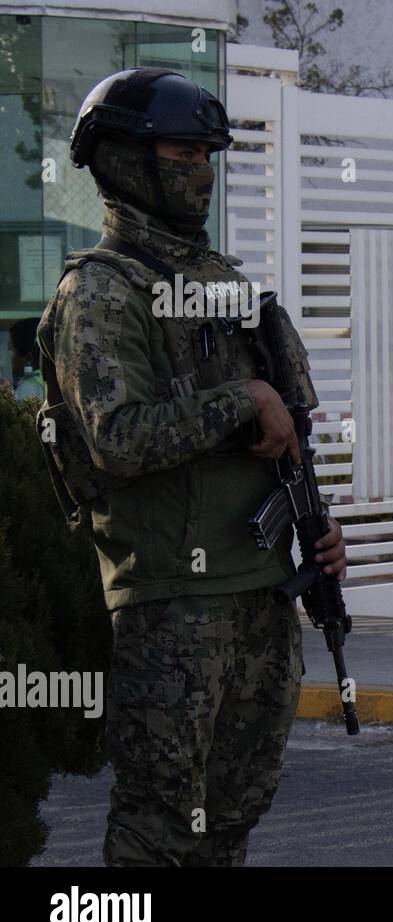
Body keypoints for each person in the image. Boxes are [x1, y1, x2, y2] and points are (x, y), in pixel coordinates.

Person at [36, 68, 347, 865]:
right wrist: (244, 398)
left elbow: (288, 435)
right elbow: (119, 437)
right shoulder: (100, 293)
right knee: (160, 826)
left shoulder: (224, 286)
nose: (202, 172)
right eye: (183, 152)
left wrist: (317, 531)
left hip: (260, 591)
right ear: (125, 161)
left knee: (233, 813)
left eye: (209, 155)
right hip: (172, 602)